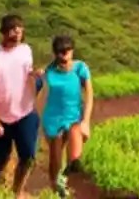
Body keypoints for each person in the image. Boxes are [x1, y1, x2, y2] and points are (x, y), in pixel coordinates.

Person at [0, 14, 39, 198]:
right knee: (1, 158)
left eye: (20, 30)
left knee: (28, 156)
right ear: (4, 32)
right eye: (13, 30)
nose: (17, 34)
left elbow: (26, 72)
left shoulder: (26, 50)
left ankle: (17, 192)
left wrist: (35, 75)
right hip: (1, 116)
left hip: (25, 113)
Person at [36, 35, 93, 198]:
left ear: (72, 51)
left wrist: (86, 122)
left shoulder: (80, 68)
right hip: (53, 119)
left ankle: (69, 186)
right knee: (55, 159)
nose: (63, 55)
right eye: (59, 52)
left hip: (73, 118)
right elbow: (39, 90)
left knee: (75, 160)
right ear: (55, 54)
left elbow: (89, 95)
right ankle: (56, 189)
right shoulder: (49, 71)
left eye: (66, 51)